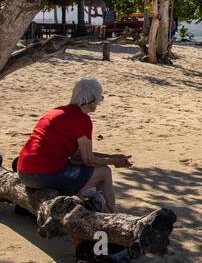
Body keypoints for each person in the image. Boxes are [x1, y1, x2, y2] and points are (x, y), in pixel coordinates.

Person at [16, 78, 132, 216]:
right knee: (104, 172)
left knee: (85, 173)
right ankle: (113, 216)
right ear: (93, 99)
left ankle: (95, 202)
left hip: (23, 171)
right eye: (100, 99)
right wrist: (113, 162)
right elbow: (88, 160)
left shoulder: (57, 112)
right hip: (43, 174)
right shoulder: (82, 120)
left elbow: (78, 156)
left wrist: (112, 157)